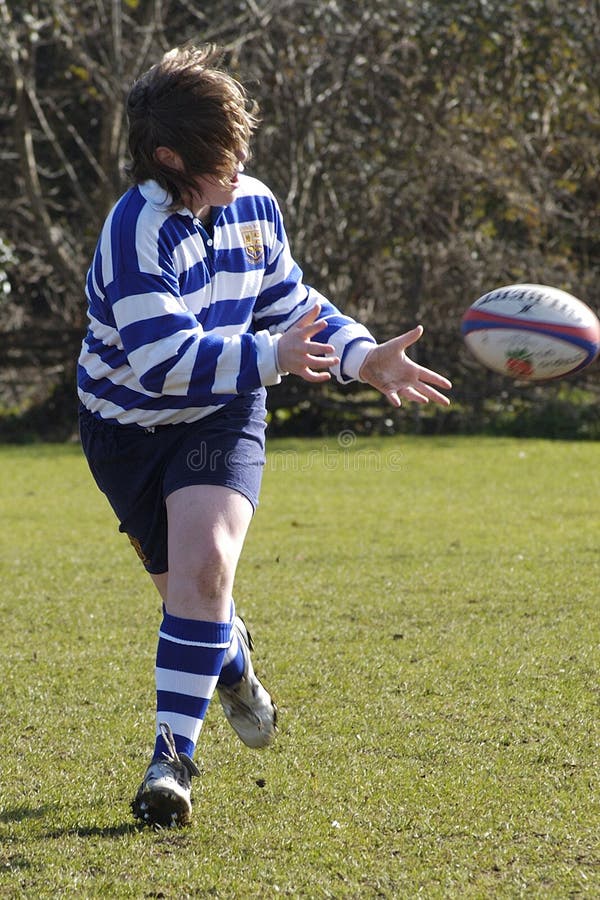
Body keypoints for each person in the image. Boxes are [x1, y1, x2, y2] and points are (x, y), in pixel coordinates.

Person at [77, 44, 452, 829]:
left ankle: (170, 763)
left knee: (206, 567)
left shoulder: (252, 204)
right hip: (127, 431)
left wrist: (360, 356)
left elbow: (291, 303)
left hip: (223, 409)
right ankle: (234, 661)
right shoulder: (137, 231)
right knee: (195, 601)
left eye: (244, 144)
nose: (241, 163)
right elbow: (160, 362)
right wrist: (271, 356)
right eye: (225, 152)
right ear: (170, 156)